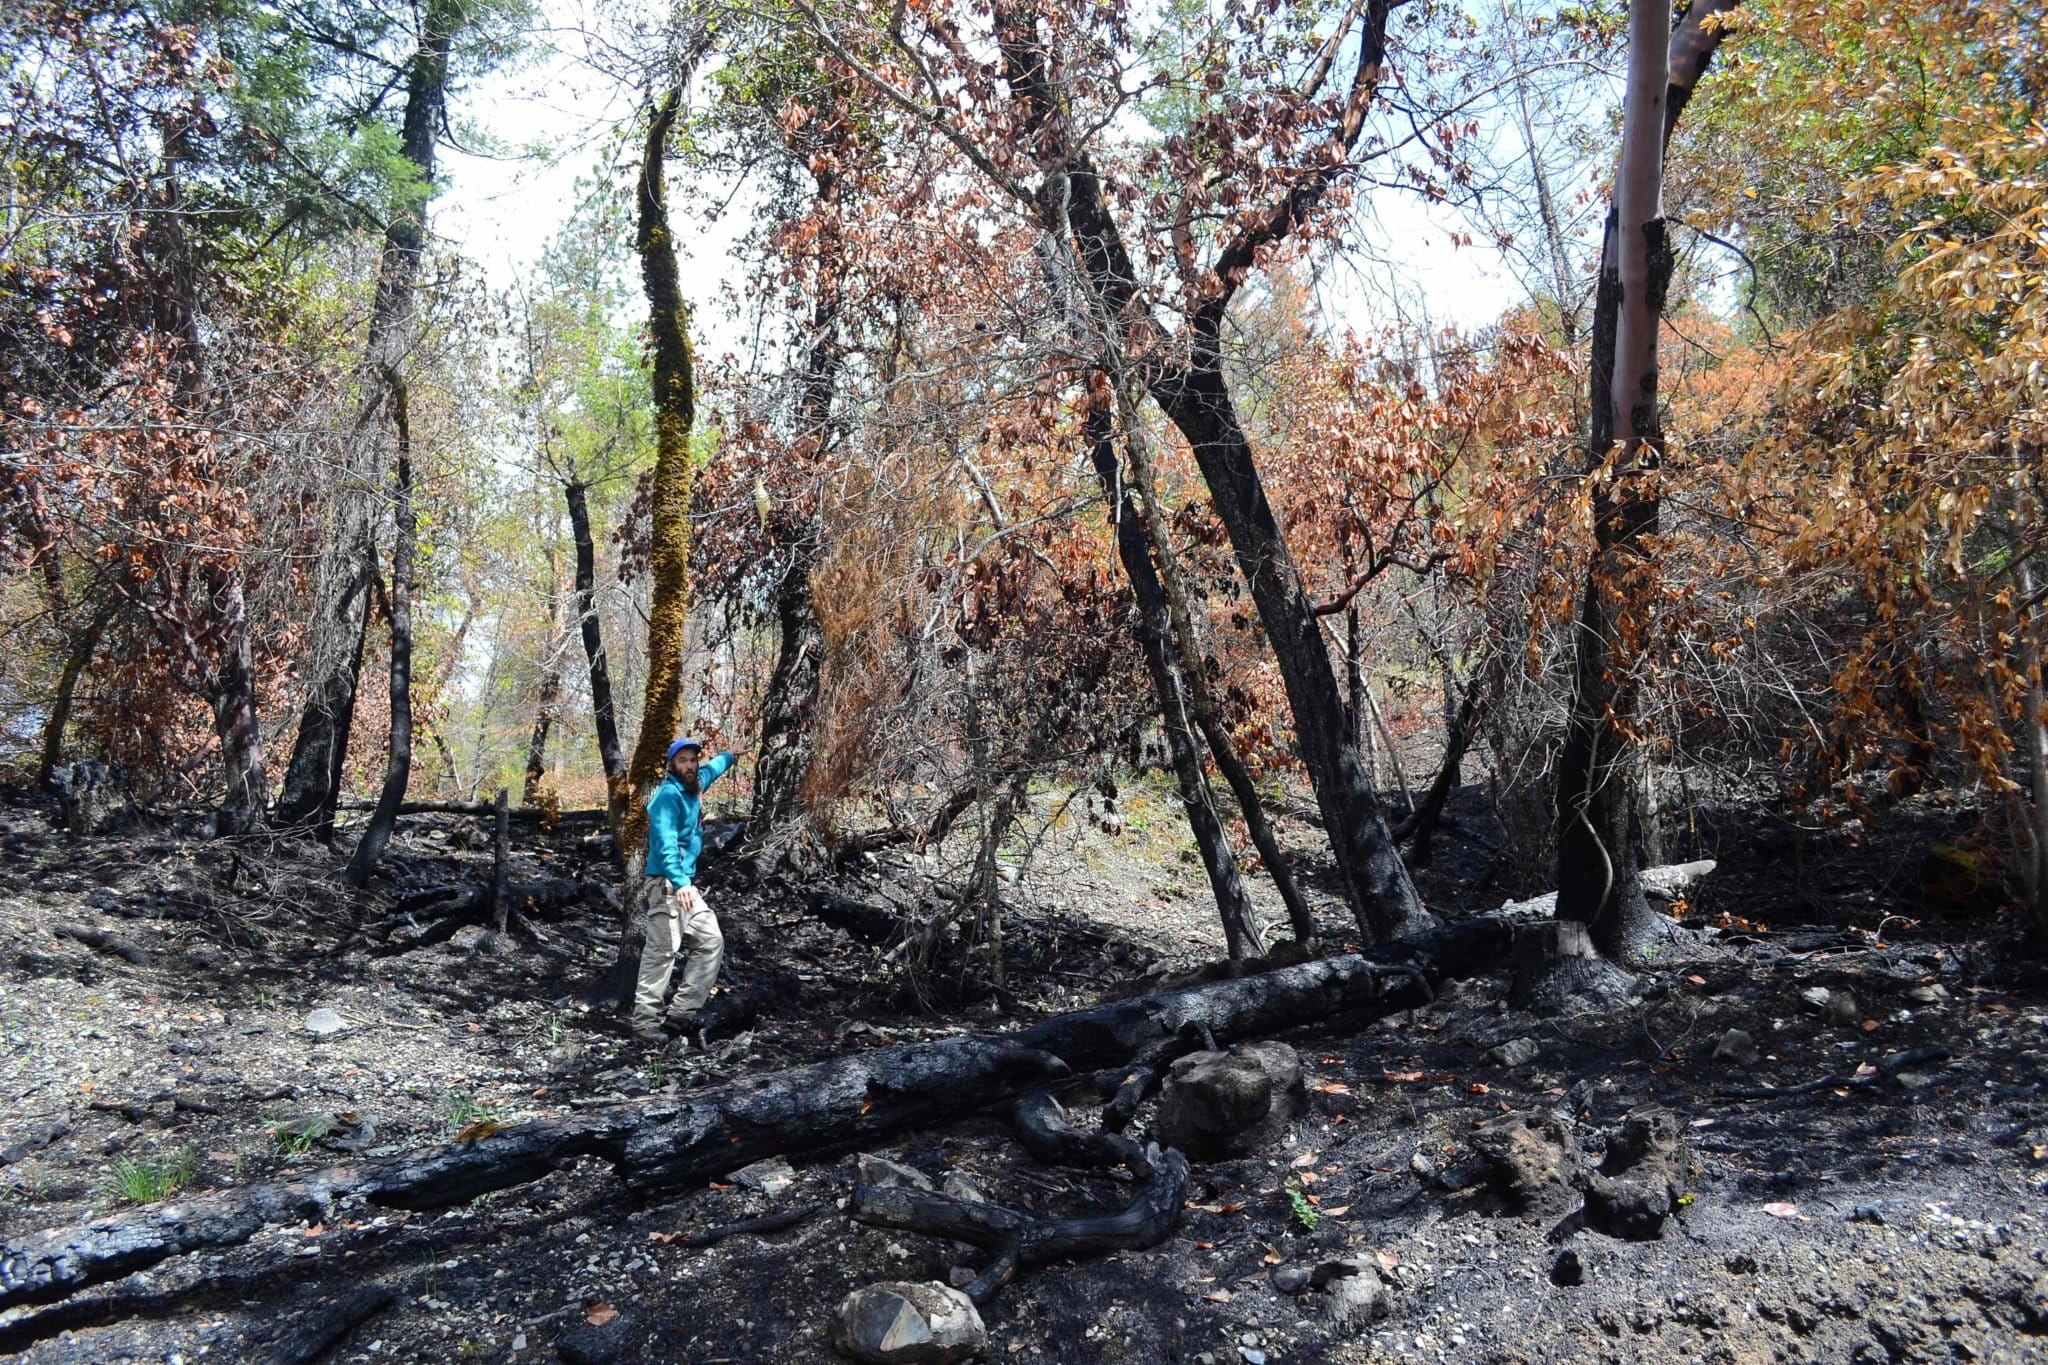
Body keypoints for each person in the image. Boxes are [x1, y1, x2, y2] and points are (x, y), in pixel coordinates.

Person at [631, 735, 747, 1045]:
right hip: (667, 884)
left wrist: (730, 754)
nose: (690, 765)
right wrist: (681, 883)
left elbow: (711, 771)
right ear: (671, 765)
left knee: (710, 941)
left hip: (684, 885)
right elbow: (665, 844)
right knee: (661, 953)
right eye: (683, 760)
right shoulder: (668, 796)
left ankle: (680, 1015)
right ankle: (645, 1025)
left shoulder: (692, 784)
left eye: (693, 759)